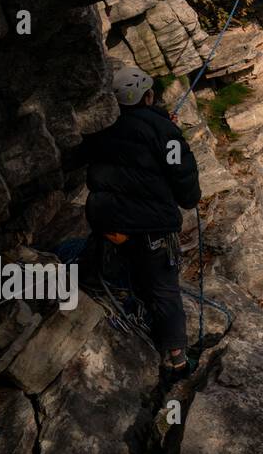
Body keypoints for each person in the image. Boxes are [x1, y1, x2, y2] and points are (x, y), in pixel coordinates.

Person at [81, 67, 201, 384]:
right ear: (147, 96)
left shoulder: (101, 127)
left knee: (128, 274)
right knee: (164, 290)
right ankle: (176, 360)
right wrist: (190, 198)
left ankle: (129, 307)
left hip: (108, 222)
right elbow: (184, 180)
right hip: (150, 227)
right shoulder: (164, 133)